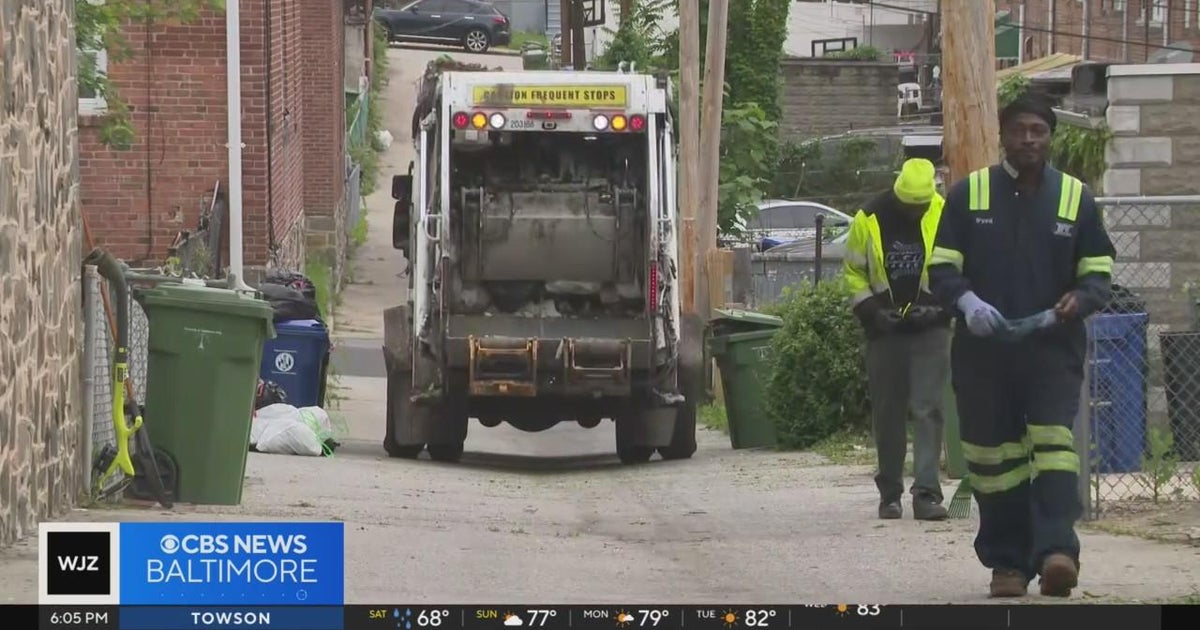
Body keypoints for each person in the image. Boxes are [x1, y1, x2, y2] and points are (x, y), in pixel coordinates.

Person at [927, 94, 1116, 598]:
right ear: (1002, 136)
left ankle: (1057, 552)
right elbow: (942, 269)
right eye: (1019, 130)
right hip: (982, 356)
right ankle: (1008, 564)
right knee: (993, 462)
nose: (1028, 139)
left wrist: (1079, 299)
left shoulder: (1076, 198)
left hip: (1051, 350)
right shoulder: (969, 195)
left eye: (1037, 130)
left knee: (1055, 449)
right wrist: (966, 303)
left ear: (1049, 136)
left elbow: (1098, 272)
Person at [844, 157, 952, 522]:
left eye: (919, 207)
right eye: (909, 206)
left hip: (931, 327)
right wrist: (873, 311)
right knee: (888, 412)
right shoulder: (869, 217)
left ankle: (926, 494)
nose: (914, 212)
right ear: (897, 194)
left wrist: (940, 309)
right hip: (884, 331)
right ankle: (889, 493)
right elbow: (853, 273)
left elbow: (961, 268)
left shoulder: (944, 212)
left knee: (927, 408)